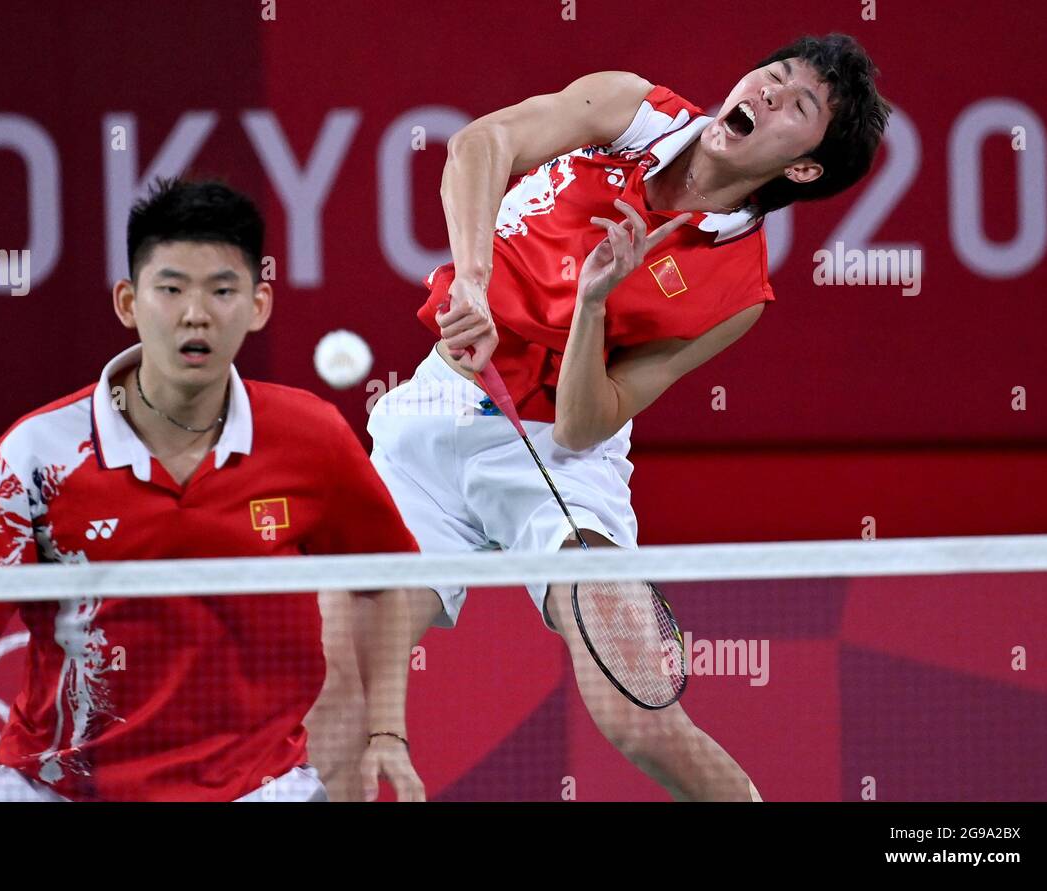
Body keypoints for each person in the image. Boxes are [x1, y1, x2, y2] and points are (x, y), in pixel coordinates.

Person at [365, 33, 890, 800]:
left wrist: (591, 305)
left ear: (803, 167)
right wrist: (471, 283)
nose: (769, 95)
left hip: (559, 458)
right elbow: (484, 143)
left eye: (797, 105)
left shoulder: (737, 293)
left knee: (637, 710)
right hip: (434, 418)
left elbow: (586, 425)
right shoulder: (631, 109)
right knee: (343, 681)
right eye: (772, 77)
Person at [0, 178, 424, 802]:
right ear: (128, 301)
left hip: (254, 791)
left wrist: (387, 729)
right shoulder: (36, 457)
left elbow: (385, 577)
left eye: (222, 290)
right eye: (170, 289)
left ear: (258, 305)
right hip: (60, 790)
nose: (195, 313)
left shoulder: (312, 439)